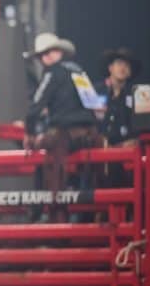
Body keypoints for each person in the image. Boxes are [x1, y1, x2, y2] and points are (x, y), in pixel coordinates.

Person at [24, 33, 103, 214]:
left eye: (50, 52)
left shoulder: (51, 73)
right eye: (43, 54)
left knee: (43, 152)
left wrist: (29, 132)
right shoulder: (79, 71)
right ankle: (87, 214)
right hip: (89, 135)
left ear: (59, 52)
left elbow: (35, 107)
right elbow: (96, 108)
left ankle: (45, 211)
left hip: (63, 136)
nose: (47, 57)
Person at [98, 47, 140, 149]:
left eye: (127, 65)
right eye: (119, 63)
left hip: (124, 150)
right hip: (98, 147)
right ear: (110, 68)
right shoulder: (96, 91)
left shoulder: (134, 95)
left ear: (130, 72)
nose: (123, 68)